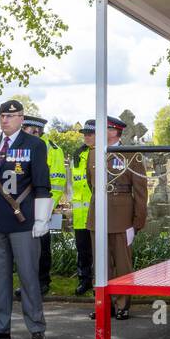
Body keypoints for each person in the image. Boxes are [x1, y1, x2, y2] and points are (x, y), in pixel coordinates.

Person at [0, 99, 53, 339]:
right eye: (2, 116)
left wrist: (41, 218)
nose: (4, 120)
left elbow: (41, 183)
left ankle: (36, 328)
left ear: (21, 118)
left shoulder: (34, 145)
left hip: (23, 221)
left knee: (28, 277)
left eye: (11, 115)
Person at [99, 116, 147, 319]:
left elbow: (140, 189)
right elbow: (93, 183)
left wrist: (138, 219)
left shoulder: (131, 155)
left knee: (122, 262)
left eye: (106, 128)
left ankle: (122, 305)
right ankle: (103, 304)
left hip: (122, 215)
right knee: (100, 263)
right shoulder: (95, 153)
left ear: (114, 131)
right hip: (99, 215)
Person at [20, 114, 68, 295]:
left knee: (42, 247)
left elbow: (57, 182)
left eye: (32, 131)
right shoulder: (19, 147)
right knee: (24, 249)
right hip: (22, 206)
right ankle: (26, 284)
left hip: (42, 205)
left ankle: (42, 281)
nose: (29, 133)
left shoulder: (53, 150)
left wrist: (47, 207)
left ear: (38, 131)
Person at [70, 120, 96, 295]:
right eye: (84, 134)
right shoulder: (77, 154)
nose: (86, 137)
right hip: (80, 213)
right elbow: (74, 183)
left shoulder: (102, 153)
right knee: (83, 250)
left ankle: (98, 282)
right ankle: (84, 280)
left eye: (90, 134)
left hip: (96, 211)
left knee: (98, 250)